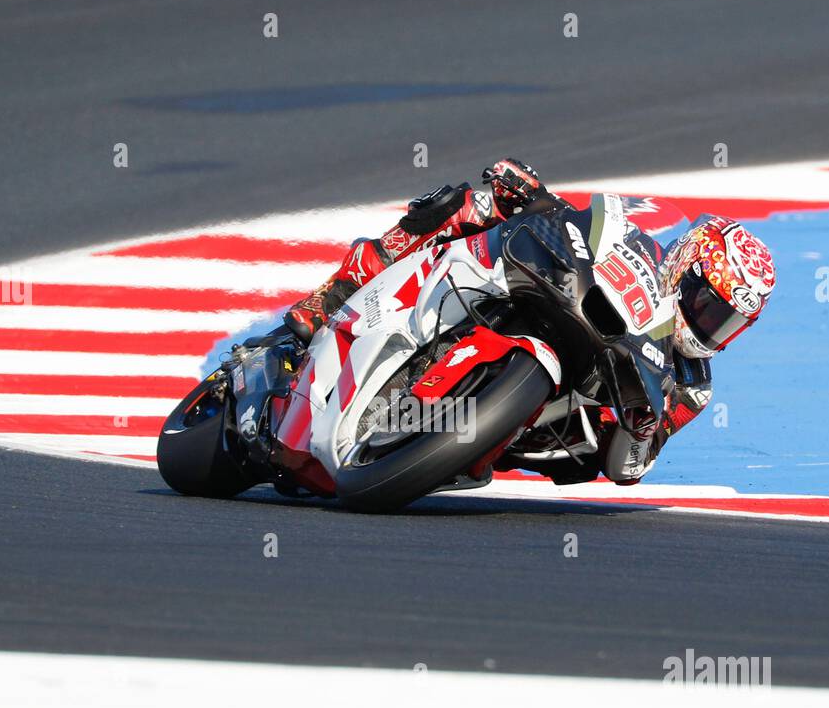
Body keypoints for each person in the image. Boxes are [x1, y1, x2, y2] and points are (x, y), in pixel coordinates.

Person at [281, 159, 776, 484]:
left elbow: (630, 469)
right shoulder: (643, 243)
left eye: (727, 322)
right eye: (708, 305)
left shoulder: (692, 384)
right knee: (464, 204)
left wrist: (643, 431)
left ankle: (448, 439)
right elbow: (583, 225)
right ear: (685, 262)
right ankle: (336, 294)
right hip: (561, 304)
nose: (710, 325)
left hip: (549, 426)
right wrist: (531, 193)